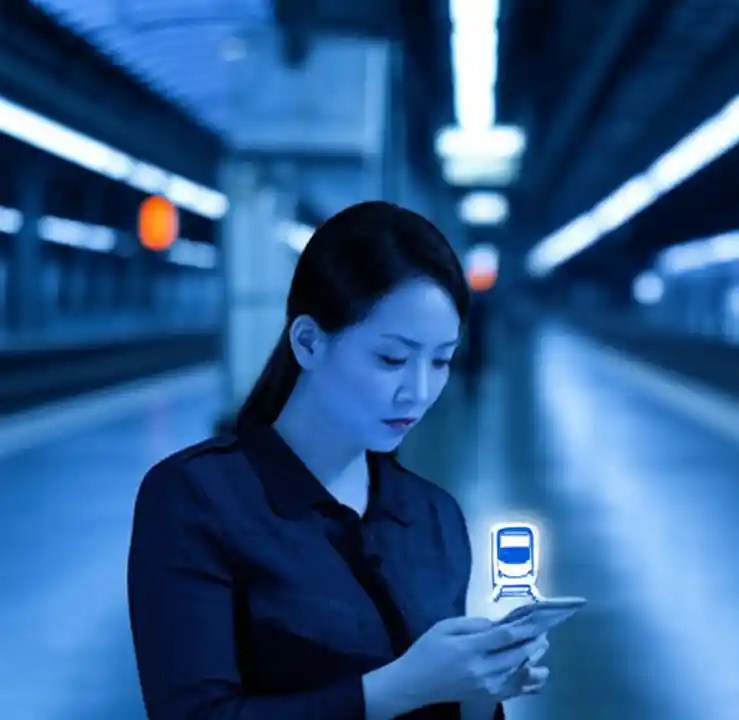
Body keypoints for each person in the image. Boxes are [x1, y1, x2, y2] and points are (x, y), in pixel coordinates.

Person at [127, 201, 548, 719]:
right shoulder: (195, 498)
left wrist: (477, 691)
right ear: (308, 342)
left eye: (441, 360)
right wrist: (400, 688)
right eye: (392, 359)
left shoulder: (433, 515)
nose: (418, 391)